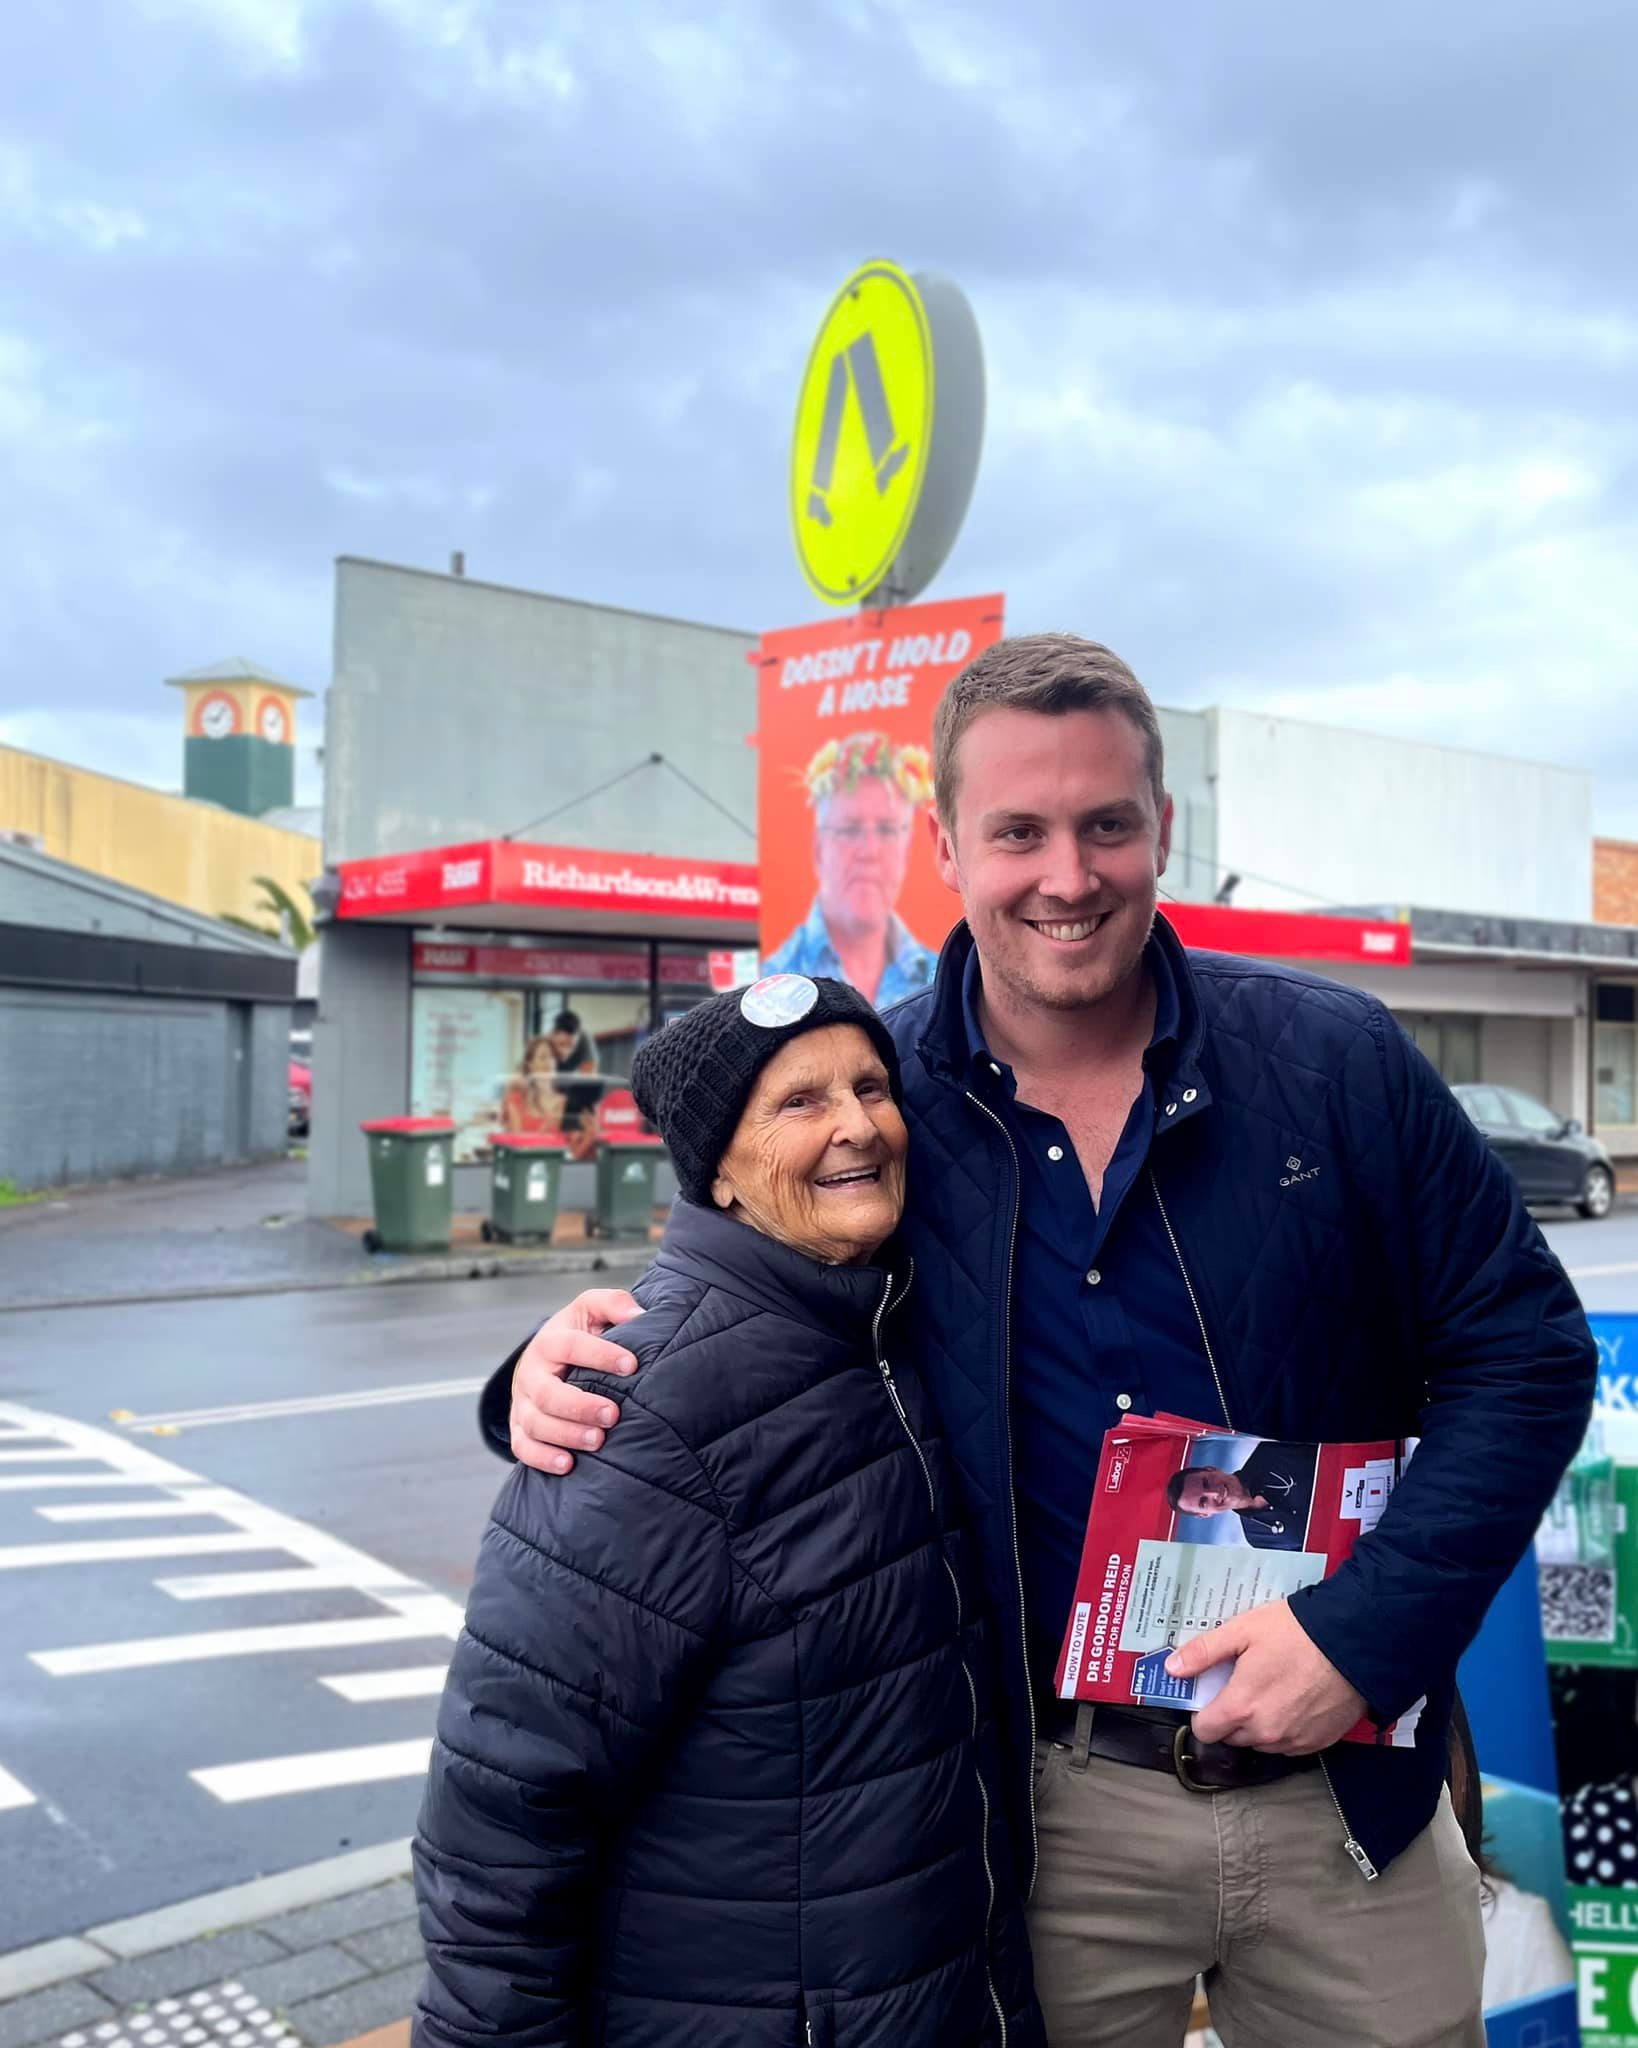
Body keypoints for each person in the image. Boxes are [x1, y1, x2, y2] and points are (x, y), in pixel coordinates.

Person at [486, 634, 1595, 2048]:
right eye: (1018, 832)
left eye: (1104, 826)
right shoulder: (877, 1113)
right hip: (1033, 1823)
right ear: (950, 845)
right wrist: (538, 1377)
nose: (1066, 877)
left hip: (1348, 1794)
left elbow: (1525, 1351)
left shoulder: (1332, 1063)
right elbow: (730, 1316)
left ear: (1160, 832)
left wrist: (1364, 1637)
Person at [413, 973, 1042, 2048]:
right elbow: (503, 1809)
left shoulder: (900, 1328)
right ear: (720, 1169)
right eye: (799, 1101)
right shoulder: (644, 1405)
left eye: (871, 1086)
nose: (856, 1124)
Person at [762, 729, 938, 1003]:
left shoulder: (941, 980)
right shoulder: (771, 986)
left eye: (887, 830)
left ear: (907, 847)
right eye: (850, 830)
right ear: (819, 849)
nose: (869, 851)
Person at [1166, 1440, 1320, 1551]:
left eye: (1206, 1483)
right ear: (1205, 1514)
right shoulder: (1256, 1538)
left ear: (1211, 1469)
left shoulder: (1271, 1451)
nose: (1214, 1493)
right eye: (1203, 1502)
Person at [498, 1034, 566, 1136]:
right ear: (530, 1064)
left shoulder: (563, 1102)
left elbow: (570, 1149)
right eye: (543, 1057)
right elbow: (517, 1146)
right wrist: (545, 1128)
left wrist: (589, 1136)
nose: (549, 1063)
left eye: (552, 1057)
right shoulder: (516, 1100)